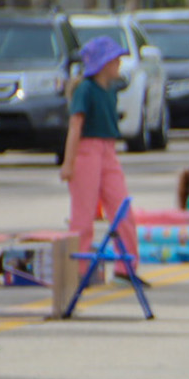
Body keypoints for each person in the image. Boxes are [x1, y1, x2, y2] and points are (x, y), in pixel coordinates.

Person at [59, 36, 139, 275]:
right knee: (83, 215)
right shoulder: (86, 89)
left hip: (108, 150)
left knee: (121, 207)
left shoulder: (111, 89)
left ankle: (127, 268)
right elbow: (76, 125)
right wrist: (68, 162)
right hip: (87, 151)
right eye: (115, 60)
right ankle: (79, 270)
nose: (119, 65)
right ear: (104, 63)